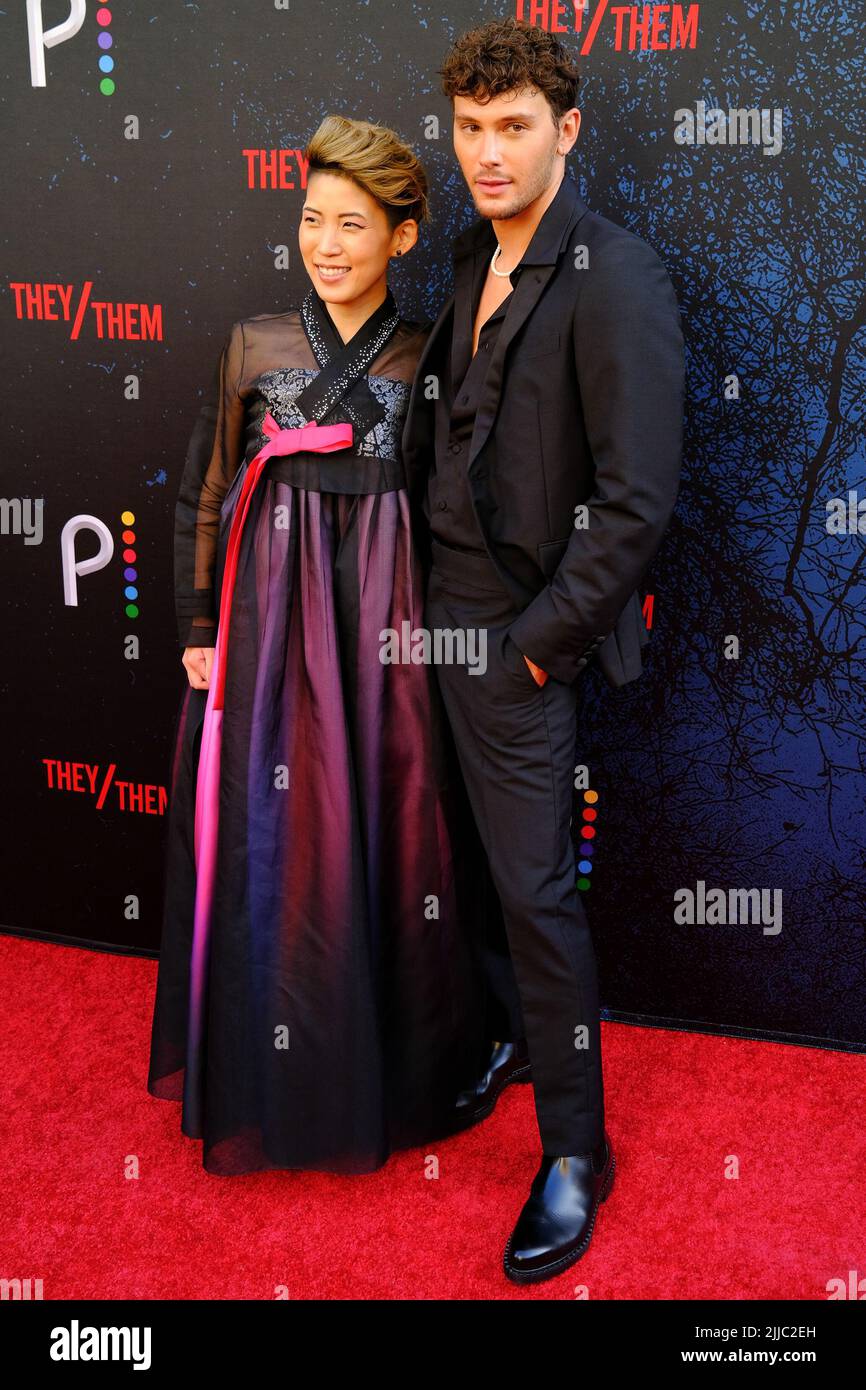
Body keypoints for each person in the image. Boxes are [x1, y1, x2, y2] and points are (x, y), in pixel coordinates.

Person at [147, 115, 488, 1176]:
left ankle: (389, 1065)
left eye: (353, 223)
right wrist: (199, 626)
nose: (328, 244)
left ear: (401, 234)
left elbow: (447, 505)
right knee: (268, 830)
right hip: (266, 621)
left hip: (383, 626)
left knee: (388, 830)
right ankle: (264, 1058)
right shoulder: (253, 343)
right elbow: (205, 492)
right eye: (311, 220)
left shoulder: (427, 348)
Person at [401, 19, 686, 1282]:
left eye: (512, 127)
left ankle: (575, 1148)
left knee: (534, 892)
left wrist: (529, 652)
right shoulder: (467, 256)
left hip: (518, 641)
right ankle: (508, 1038)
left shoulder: (616, 276)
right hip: (431, 616)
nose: (487, 152)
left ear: (565, 131)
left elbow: (634, 505)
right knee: (459, 861)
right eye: (469, 129)